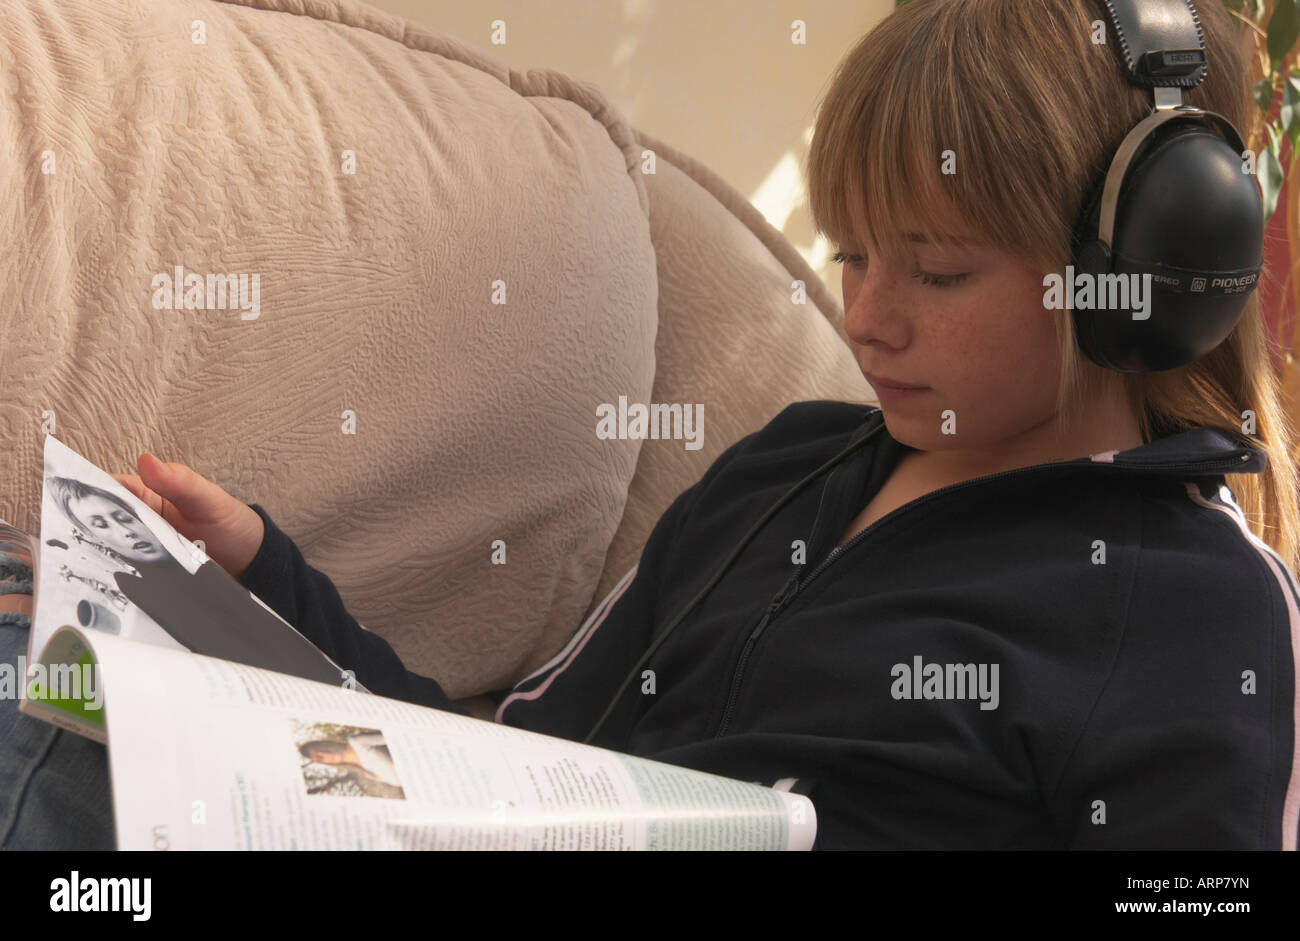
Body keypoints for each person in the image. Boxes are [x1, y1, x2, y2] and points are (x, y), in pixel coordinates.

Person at [2, 0, 1297, 850]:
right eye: (853, 260)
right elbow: (504, 775)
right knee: (41, 632)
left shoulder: (1201, 614)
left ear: (1149, 274)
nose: (871, 319)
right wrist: (263, 579)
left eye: (938, 271)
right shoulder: (787, 474)